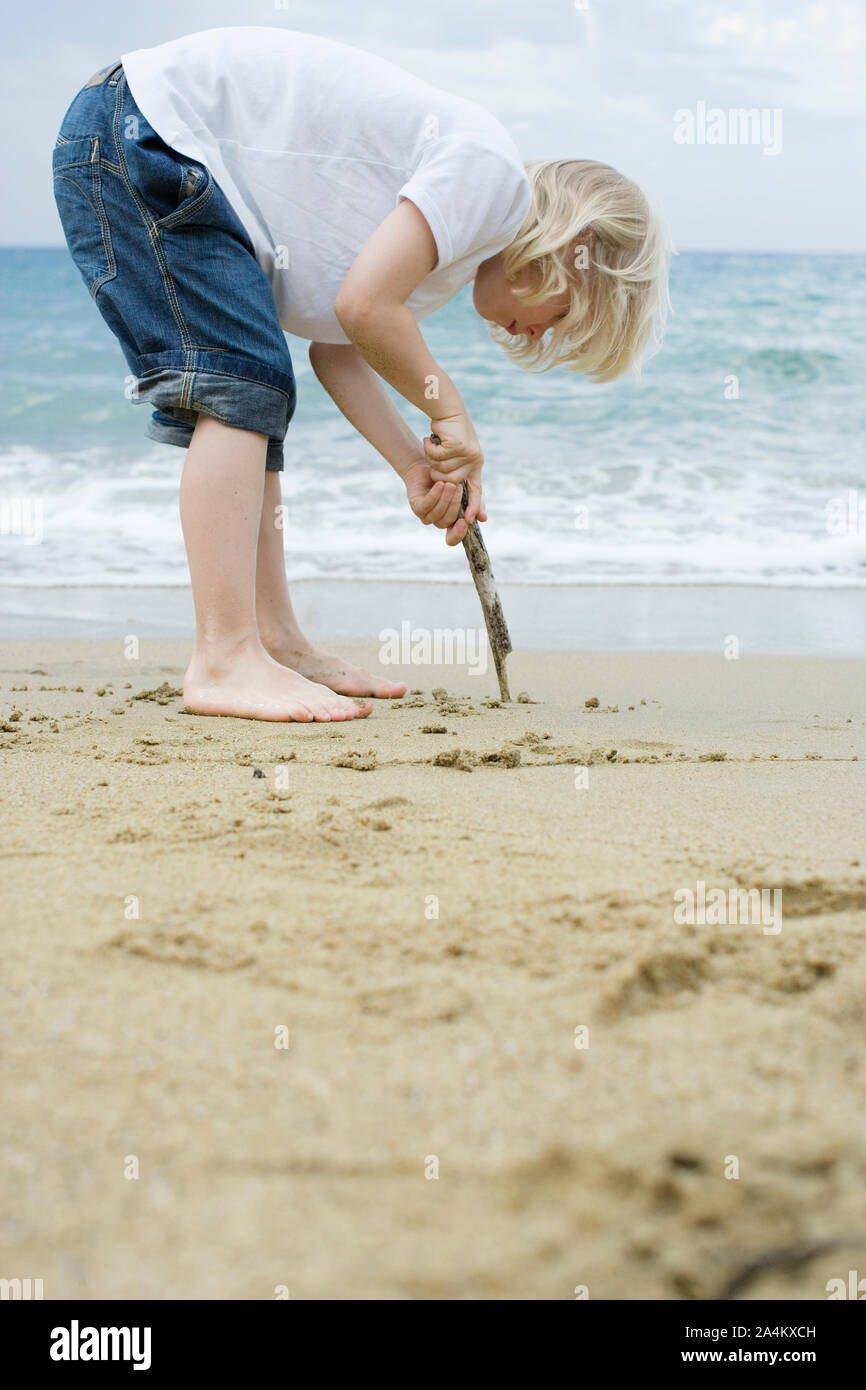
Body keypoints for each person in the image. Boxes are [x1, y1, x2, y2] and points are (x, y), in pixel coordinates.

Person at [52, 26, 669, 722]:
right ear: (572, 248)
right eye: (560, 317)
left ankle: (275, 641)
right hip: (146, 131)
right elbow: (365, 307)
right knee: (241, 384)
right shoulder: (490, 176)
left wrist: (413, 462)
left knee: (255, 392)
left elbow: (338, 344)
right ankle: (225, 657)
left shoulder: (445, 254)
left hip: (147, 138)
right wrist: (450, 413)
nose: (538, 335)